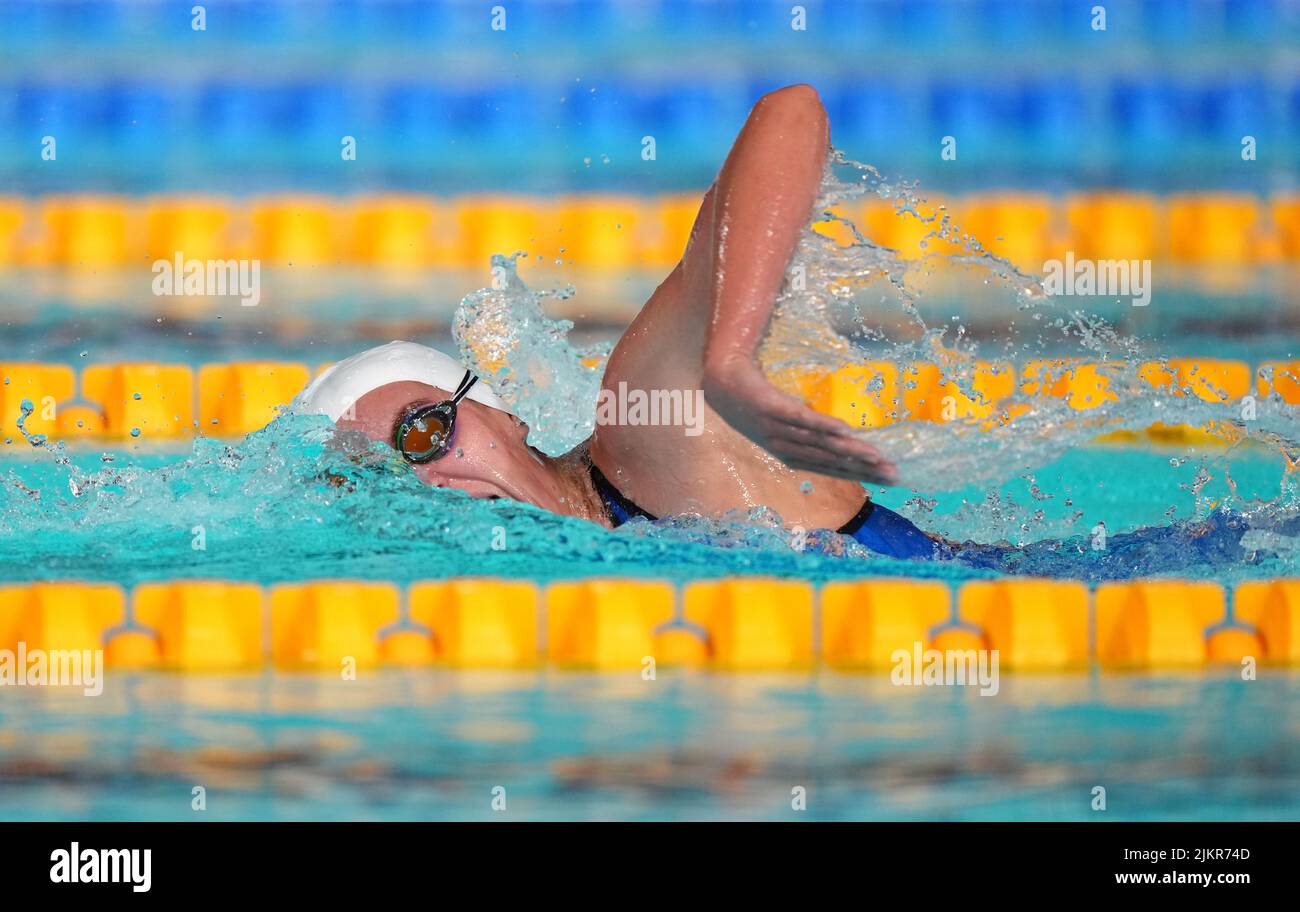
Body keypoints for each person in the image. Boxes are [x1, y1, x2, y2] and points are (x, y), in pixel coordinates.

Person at [295, 84, 943, 560]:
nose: (427, 480)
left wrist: (729, 360)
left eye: (424, 432)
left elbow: (792, 114)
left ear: (508, 419)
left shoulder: (646, 438)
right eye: (379, 479)